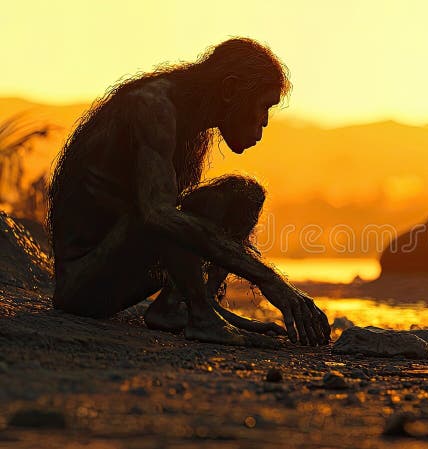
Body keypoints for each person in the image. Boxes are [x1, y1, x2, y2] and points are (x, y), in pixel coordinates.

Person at [47, 38, 330, 347]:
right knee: (165, 214)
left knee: (245, 194)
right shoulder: (153, 105)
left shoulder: (195, 124)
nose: (263, 122)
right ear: (230, 90)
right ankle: (200, 315)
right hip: (83, 284)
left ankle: (181, 306)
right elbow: (159, 215)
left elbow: (182, 216)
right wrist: (270, 280)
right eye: (264, 107)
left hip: (118, 261)